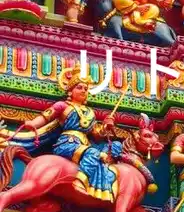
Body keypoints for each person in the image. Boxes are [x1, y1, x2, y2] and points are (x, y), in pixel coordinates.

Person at [18, 65, 122, 201]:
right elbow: (46, 116)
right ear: (70, 91)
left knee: (104, 154)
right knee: (93, 153)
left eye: (86, 89)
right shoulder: (63, 106)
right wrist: (33, 124)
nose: (83, 90)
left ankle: (101, 188)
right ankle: (80, 182)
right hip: (67, 144)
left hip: (83, 146)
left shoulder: (90, 112)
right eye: (79, 87)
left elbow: (96, 136)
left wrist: (105, 127)